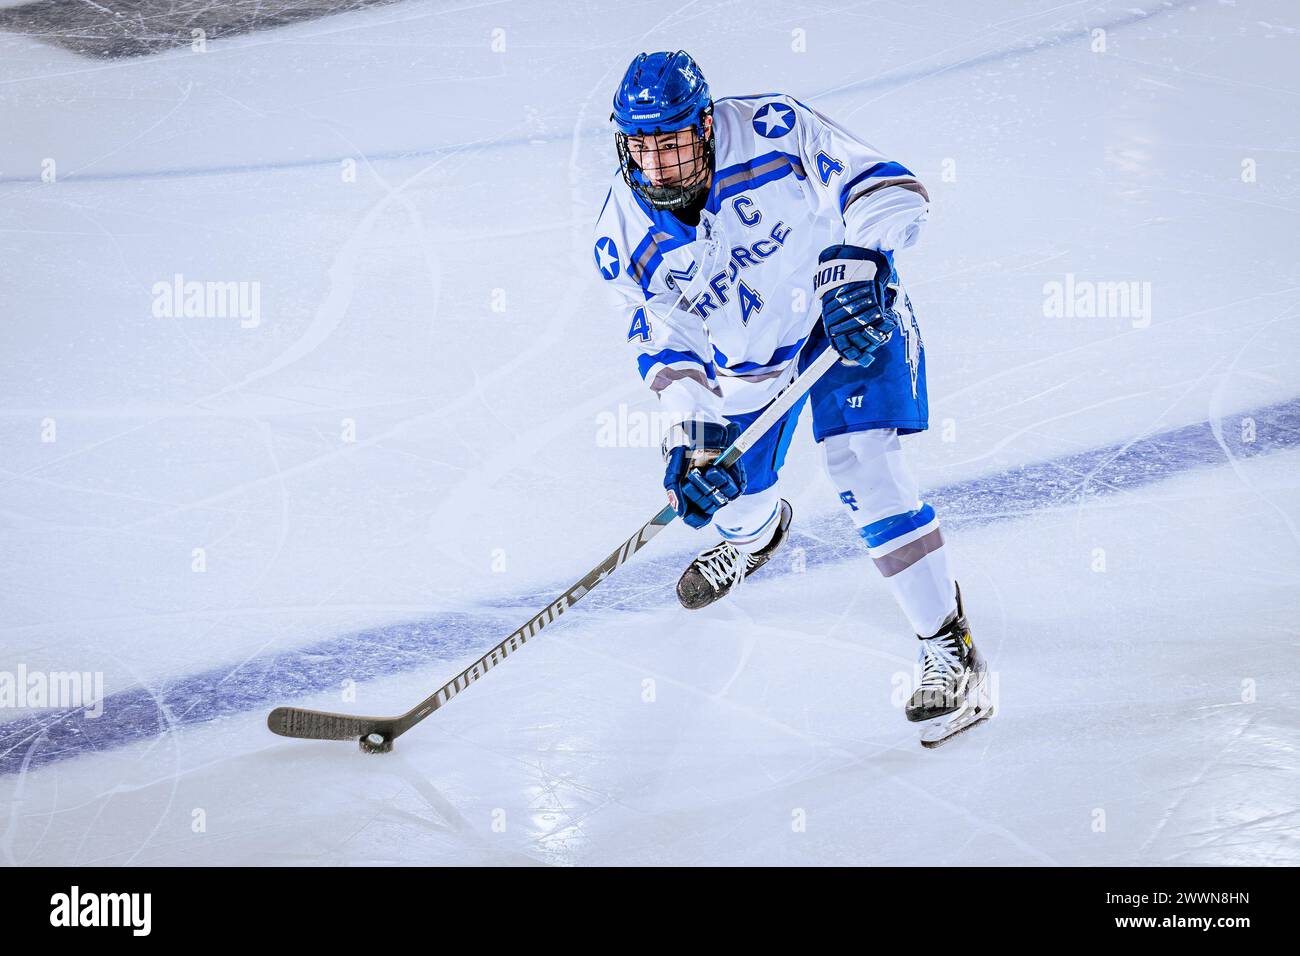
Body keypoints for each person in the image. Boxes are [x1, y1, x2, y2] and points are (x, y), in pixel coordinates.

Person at [592, 51, 993, 745]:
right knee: (734, 497)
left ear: (708, 128)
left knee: (865, 469)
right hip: (749, 362)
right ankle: (755, 536)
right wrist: (692, 435)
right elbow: (666, 346)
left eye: (674, 142)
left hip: (845, 319)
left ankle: (949, 649)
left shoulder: (775, 129)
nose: (658, 165)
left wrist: (861, 260)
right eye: (643, 147)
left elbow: (887, 186)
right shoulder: (620, 239)